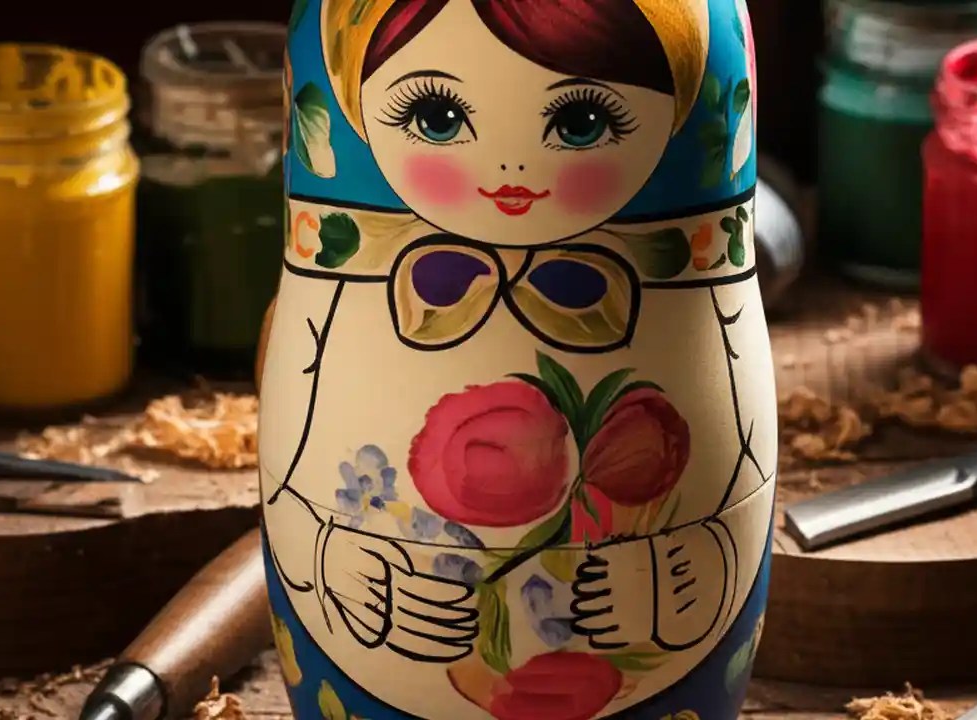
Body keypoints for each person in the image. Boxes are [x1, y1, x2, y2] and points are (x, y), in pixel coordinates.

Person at [260, 1, 776, 717]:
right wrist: (329, 564)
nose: (511, 170)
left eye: (581, 122)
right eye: (437, 117)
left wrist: (699, 566)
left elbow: (740, 446)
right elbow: (291, 474)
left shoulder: (693, 270)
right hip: (370, 637)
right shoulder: (342, 268)